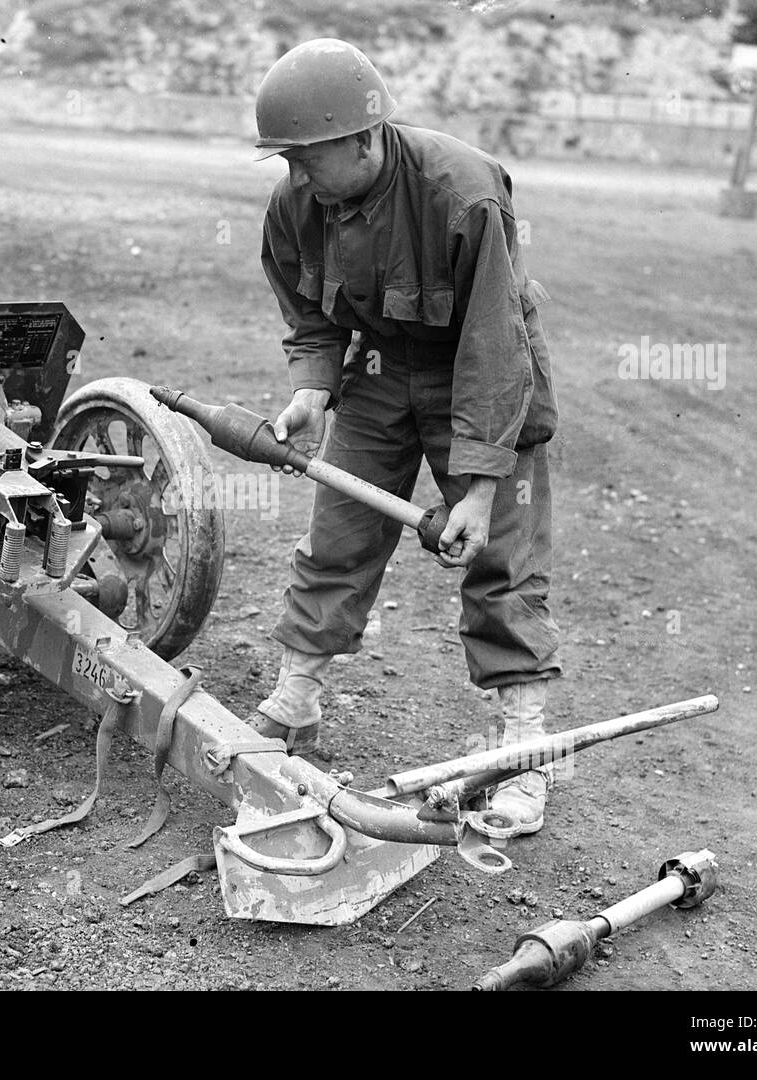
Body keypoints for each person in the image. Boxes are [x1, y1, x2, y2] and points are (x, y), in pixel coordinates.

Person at [247, 38, 562, 835]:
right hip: (381, 371)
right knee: (338, 536)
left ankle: (525, 749)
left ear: (366, 138)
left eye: (308, 158)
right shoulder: (297, 204)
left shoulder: (463, 191)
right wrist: (313, 389)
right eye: (286, 160)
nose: (297, 178)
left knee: (501, 562)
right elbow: (310, 313)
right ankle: (296, 699)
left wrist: (482, 488)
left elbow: (494, 343)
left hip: (481, 374)